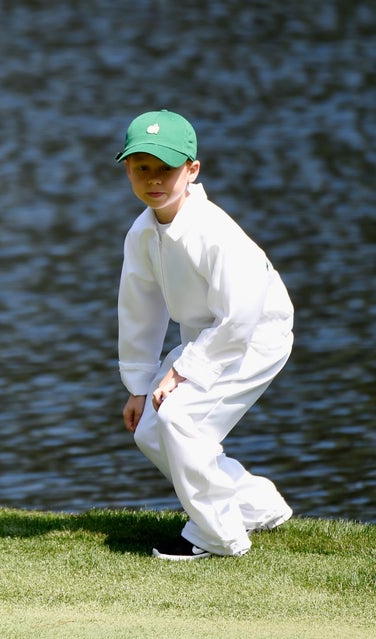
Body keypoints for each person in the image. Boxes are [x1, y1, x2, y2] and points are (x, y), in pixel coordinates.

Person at [115, 110, 295, 560]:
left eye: (166, 169)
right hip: (209, 336)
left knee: (182, 420)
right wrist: (140, 386)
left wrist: (183, 371)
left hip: (255, 335)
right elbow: (140, 309)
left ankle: (219, 535)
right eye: (142, 168)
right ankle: (253, 503)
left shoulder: (214, 231)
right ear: (127, 170)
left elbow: (241, 316)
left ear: (192, 170)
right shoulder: (142, 231)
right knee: (151, 429)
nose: (154, 179)